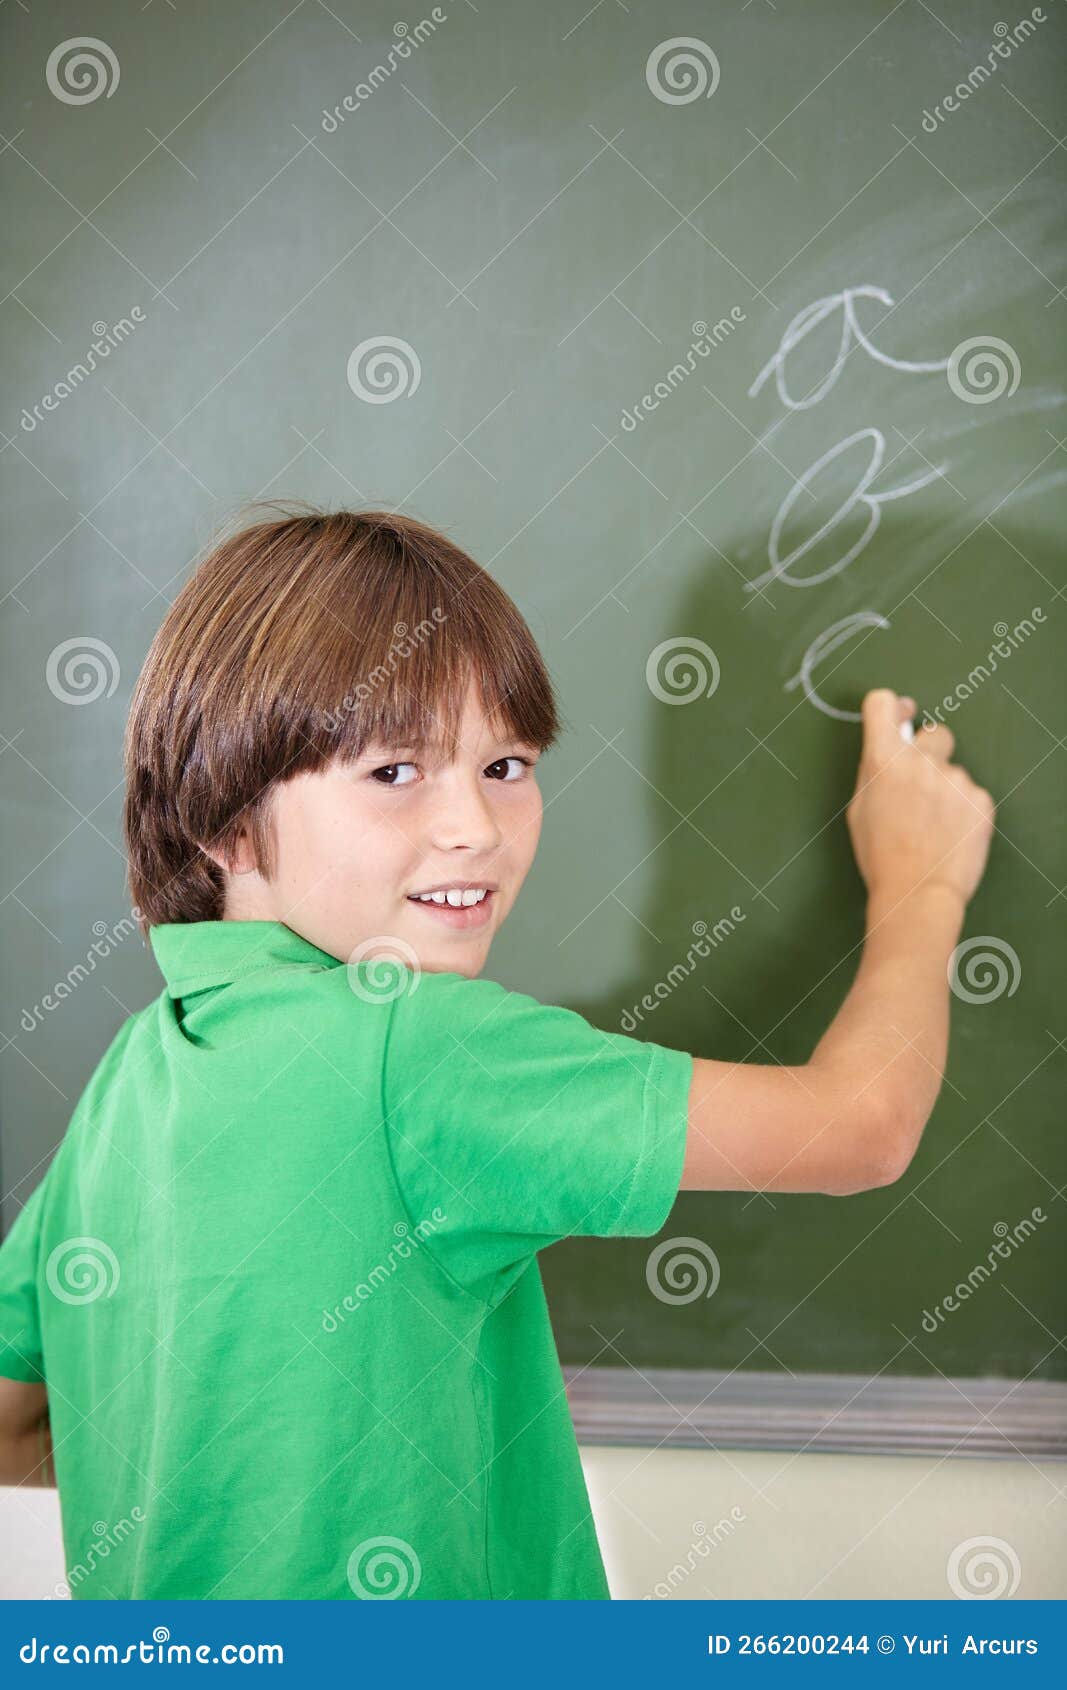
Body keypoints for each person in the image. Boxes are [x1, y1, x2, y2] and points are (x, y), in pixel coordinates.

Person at [0, 507, 994, 1599]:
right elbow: (861, 1126)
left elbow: (12, 1424)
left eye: (507, 764)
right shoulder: (415, 1045)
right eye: (395, 772)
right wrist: (921, 884)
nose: (474, 826)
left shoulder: (132, 1083)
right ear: (224, 818)